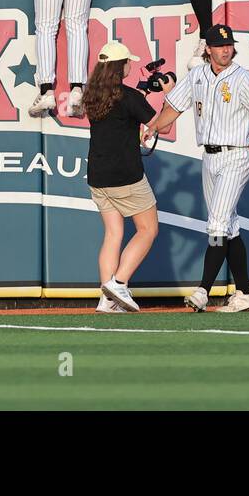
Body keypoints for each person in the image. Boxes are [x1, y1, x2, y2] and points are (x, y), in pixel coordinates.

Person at [147, 23, 249, 314]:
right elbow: (174, 108)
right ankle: (244, 292)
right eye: (219, 45)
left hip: (236, 155)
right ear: (208, 49)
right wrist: (153, 126)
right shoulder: (197, 75)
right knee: (228, 226)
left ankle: (203, 290)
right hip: (209, 156)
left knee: (217, 224)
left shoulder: (243, 78)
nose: (225, 49)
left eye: (228, 44)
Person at [83, 41, 168, 313]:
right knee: (148, 229)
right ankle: (119, 283)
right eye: (128, 61)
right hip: (125, 175)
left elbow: (123, 116)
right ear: (121, 67)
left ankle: (106, 299)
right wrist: (168, 95)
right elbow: (162, 126)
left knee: (113, 233)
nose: (132, 64)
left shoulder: (93, 95)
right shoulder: (128, 97)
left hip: (98, 175)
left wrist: (144, 93)